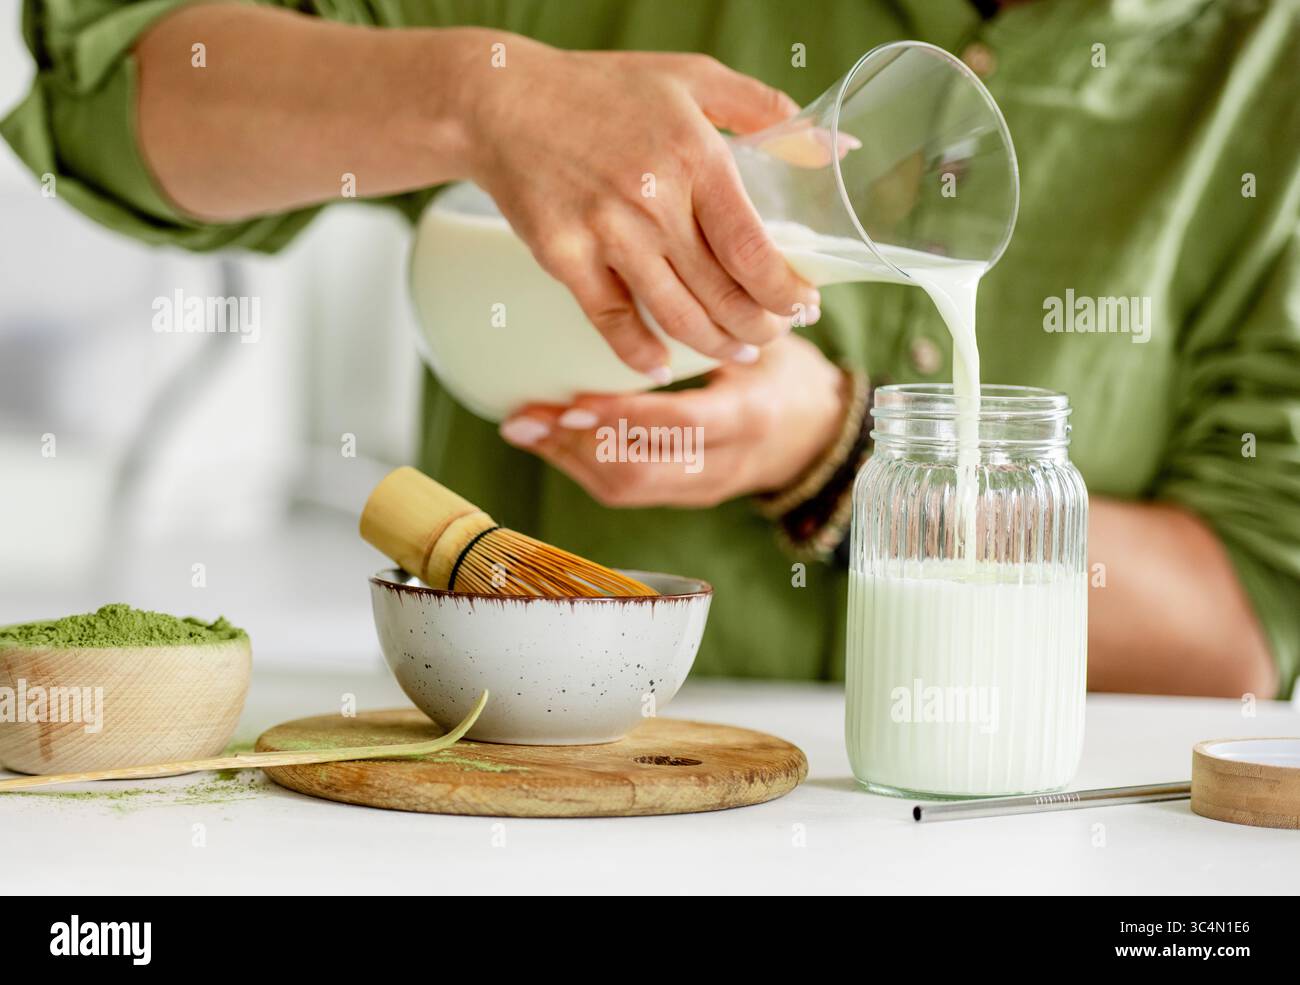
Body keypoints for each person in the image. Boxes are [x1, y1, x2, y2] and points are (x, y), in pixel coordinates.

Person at [4, 0, 1297, 698]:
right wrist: (483, 94)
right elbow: (116, 99)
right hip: (543, 811)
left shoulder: (1271, 68)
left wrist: (832, 451)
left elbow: (1246, 624)